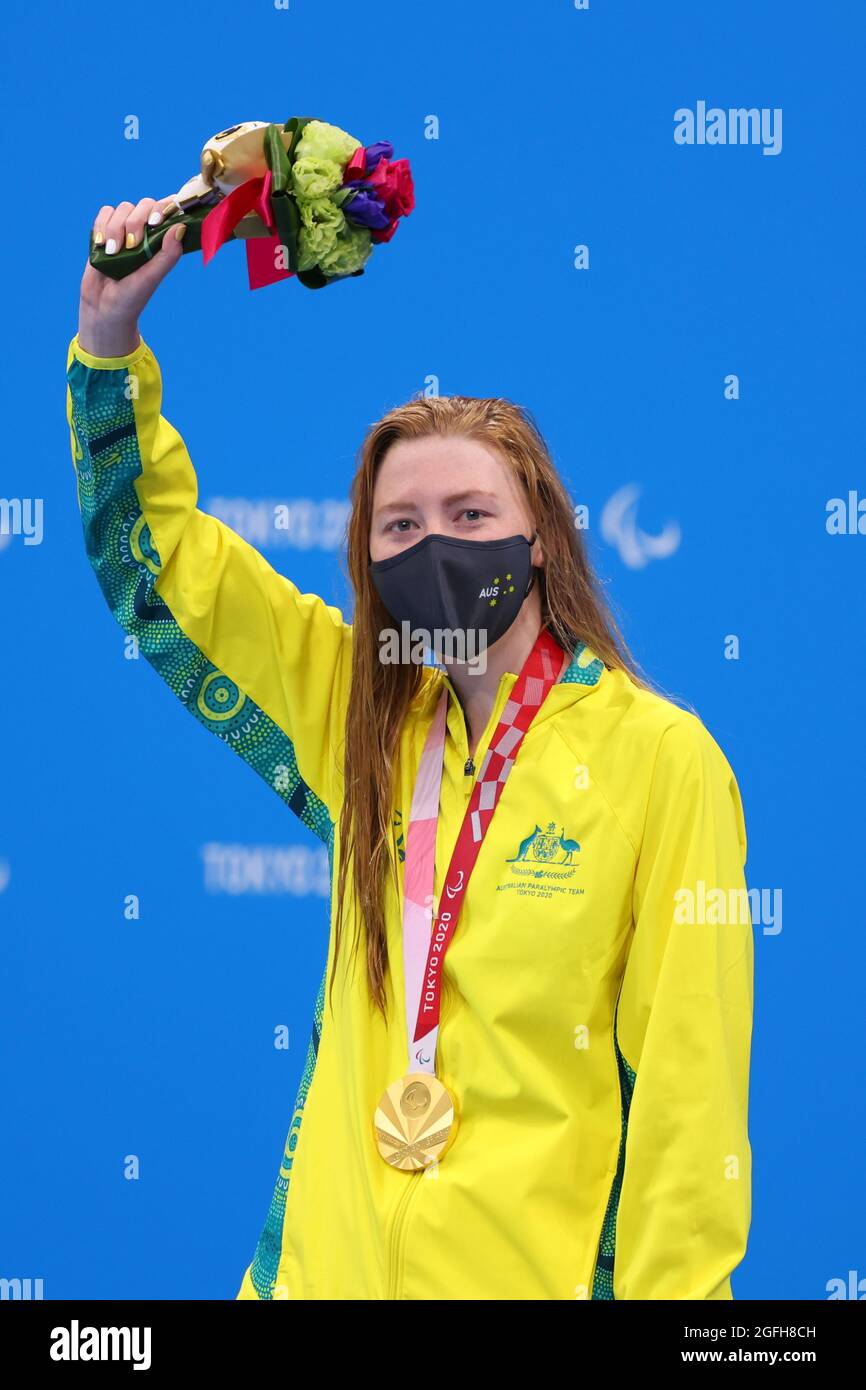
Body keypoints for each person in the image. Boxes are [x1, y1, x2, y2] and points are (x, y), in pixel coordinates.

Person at [66, 195, 755, 1301]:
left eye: (470, 516)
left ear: (539, 539)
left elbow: (687, 1110)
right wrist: (109, 341)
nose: (433, 544)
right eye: (399, 525)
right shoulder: (358, 717)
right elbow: (164, 572)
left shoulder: (659, 761)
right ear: (366, 553)